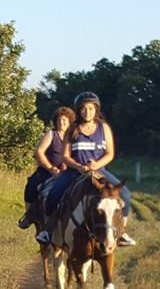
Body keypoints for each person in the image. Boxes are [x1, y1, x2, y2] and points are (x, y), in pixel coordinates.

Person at [37, 91, 137, 246]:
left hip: (99, 172)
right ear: (78, 110)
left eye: (90, 108)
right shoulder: (72, 130)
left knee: (125, 195)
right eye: (83, 109)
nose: (87, 112)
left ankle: (121, 232)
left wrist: (95, 165)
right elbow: (65, 156)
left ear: (96, 110)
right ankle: (48, 231)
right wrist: (79, 166)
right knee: (54, 194)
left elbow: (110, 153)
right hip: (75, 172)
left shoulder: (104, 128)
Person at [19, 104, 74, 228]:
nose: (61, 122)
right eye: (59, 120)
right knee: (32, 184)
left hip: (67, 170)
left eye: (64, 120)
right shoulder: (51, 134)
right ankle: (29, 215)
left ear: (70, 122)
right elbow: (39, 152)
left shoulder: (73, 137)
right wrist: (50, 168)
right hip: (47, 170)